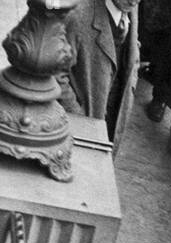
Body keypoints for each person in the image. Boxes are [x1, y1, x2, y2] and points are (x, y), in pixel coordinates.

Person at [58, 0, 141, 149]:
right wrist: (79, 117)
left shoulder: (130, 8)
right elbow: (55, 74)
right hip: (77, 132)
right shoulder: (77, 14)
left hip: (111, 125)